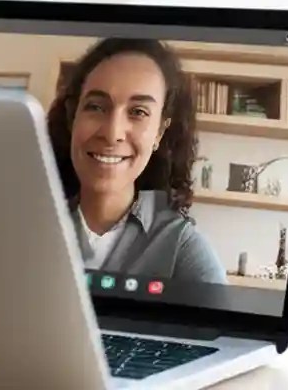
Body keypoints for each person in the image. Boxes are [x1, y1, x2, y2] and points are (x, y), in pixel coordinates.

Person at [46, 38, 227, 285]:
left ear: (159, 133)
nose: (112, 133)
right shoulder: (31, 229)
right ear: (72, 117)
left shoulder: (184, 253)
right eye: (96, 107)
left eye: (138, 112)